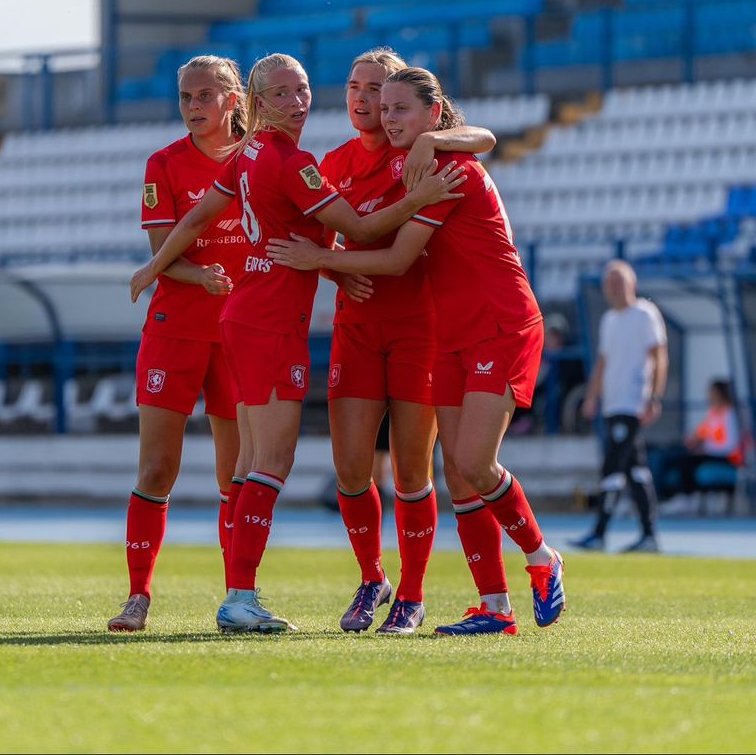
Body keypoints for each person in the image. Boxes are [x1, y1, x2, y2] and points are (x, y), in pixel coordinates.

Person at [129, 53, 467, 633]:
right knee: (271, 463)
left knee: (249, 467)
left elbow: (204, 217)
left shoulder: (250, 155)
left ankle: (252, 593)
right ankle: (239, 596)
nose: (298, 101)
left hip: (247, 317)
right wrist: (421, 197)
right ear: (257, 102)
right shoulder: (297, 160)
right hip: (272, 322)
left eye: (304, 89)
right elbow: (356, 230)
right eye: (283, 94)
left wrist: (152, 265)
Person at [267, 66, 566, 635]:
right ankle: (493, 608)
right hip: (445, 333)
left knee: (466, 466)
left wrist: (322, 260)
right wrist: (328, 267)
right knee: (447, 473)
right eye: (371, 99)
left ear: (431, 112)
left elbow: (399, 258)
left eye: (395, 104)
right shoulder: (372, 161)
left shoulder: (441, 166)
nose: (383, 112)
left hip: (489, 325)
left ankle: (538, 557)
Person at [321, 48, 497, 634]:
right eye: (354, 86)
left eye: (377, 90)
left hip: (420, 329)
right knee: (350, 469)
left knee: (412, 470)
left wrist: (430, 143)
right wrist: (334, 268)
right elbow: (304, 240)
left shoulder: (425, 151)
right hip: (356, 326)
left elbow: (481, 137)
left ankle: (413, 595)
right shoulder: (333, 162)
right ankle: (373, 578)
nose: (363, 100)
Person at [108, 56, 248, 632]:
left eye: (205, 96)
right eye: (186, 97)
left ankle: (238, 596)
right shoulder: (163, 163)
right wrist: (200, 276)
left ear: (234, 100)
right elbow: (165, 247)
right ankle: (138, 595)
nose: (193, 107)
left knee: (234, 476)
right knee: (158, 466)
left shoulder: (257, 159)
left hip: (240, 334)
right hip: (174, 329)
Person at [571, 260, 668, 553]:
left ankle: (599, 532)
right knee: (636, 472)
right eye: (609, 283)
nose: (613, 288)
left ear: (632, 284)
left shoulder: (644, 314)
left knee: (612, 468)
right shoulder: (609, 320)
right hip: (613, 404)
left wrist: (654, 397)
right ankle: (649, 534)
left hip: (633, 402)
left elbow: (659, 356)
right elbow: (602, 363)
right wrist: (592, 396)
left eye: (619, 281)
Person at [677, 379, 742, 496]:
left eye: (713, 393)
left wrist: (706, 450)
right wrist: (695, 442)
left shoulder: (730, 414)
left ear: (721, 394)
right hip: (711, 452)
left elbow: (731, 445)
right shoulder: (712, 413)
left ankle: (689, 497)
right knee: (677, 455)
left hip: (725, 456)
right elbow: (704, 434)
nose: (709, 396)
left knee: (687, 462)